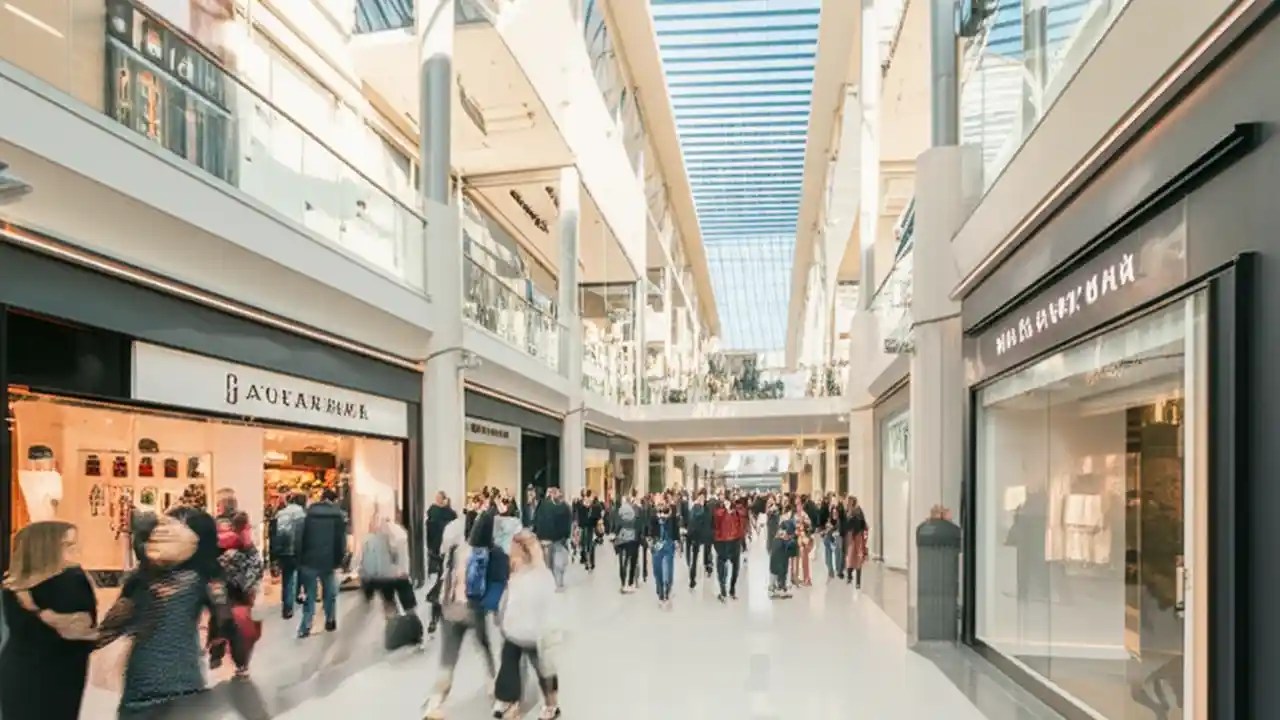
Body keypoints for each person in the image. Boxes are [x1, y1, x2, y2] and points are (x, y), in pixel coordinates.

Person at [0, 521, 97, 720]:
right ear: (45, 548)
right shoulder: (72, 579)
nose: (76, 550)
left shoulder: (14, 583)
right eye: (68, 544)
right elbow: (81, 631)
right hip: (55, 673)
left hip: (21, 670)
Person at [423, 515, 502, 719]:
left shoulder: (455, 549)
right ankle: (495, 694)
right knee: (484, 650)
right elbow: (493, 584)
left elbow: (444, 573)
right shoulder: (489, 552)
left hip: (450, 609)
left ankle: (435, 702)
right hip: (473, 609)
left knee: (448, 657)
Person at [493, 532, 562, 719]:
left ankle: (548, 704)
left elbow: (538, 605)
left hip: (531, 631)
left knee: (541, 668)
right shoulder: (523, 573)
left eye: (514, 550)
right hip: (521, 630)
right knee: (514, 663)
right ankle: (512, 701)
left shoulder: (536, 576)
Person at [213, 511, 264, 677]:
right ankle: (241, 663)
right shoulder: (247, 544)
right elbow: (256, 566)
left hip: (228, 589)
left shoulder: (226, 544)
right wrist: (250, 586)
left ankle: (218, 651)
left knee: (224, 621)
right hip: (242, 591)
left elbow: (218, 567)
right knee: (242, 628)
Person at [297, 488, 347, 637]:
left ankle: (305, 626)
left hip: (309, 560)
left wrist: (300, 559)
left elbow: (300, 538)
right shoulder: (337, 516)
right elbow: (340, 542)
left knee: (310, 595)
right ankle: (330, 620)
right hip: (328, 561)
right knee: (329, 593)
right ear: (333, 500)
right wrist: (339, 560)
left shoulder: (308, 514)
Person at [269, 492, 307, 620]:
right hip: (297, 549)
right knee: (298, 573)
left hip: (284, 550)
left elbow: (274, 534)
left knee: (287, 577)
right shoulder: (302, 514)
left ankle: (287, 607)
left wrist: (274, 555)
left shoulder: (281, 513)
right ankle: (297, 596)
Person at [711, 493, 749, 602]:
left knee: (736, 567)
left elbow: (743, 518)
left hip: (734, 541)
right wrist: (726, 510)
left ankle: (732, 589)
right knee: (721, 566)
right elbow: (716, 519)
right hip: (722, 542)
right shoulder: (718, 511)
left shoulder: (737, 512)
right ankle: (723, 590)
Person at [532, 487, 572, 591]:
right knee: (558, 561)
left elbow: (536, 521)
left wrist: (536, 534)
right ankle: (558, 583)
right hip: (557, 539)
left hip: (545, 538)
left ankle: (552, 582)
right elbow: (566, 522)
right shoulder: (562, 507)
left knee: (548, 561)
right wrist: (566, 536)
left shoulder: (541, 506)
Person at [647, 494, 680, 608]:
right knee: (657, 571)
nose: (659, 504)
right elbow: (649, 529)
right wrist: (650, 540)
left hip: (668, 545)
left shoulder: (672, 514)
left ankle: (667, 591)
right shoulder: (652, 514)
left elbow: (675, 529)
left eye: (661, 502)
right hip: (657, 545)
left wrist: (677, 541)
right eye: (657, 502)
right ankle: (660, 593)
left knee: (668, 571)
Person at [611, 494, 641, 593]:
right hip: (631, 538)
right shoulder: (633, 511)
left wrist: (614, 535)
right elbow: (637, 524)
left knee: (622, 562)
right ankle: (629, 582)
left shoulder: (619, 511)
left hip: (621, 538)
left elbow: (617, 525)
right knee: (629, 560)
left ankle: (623, 583)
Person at [684, 490, 713, 589]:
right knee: (695, 558)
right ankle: (692, 579)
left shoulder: (707, 507)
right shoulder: (696, 507)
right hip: (696, 536)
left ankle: (708, 567)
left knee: (707, 553)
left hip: (705, 535)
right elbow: (693, 519)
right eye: (700, 497)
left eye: (703, 497)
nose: (702, 499)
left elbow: (710, 520)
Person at [843, 496, 869, 588]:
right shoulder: (848, 511)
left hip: (857, 537)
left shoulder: (857, 511)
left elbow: (863, 524)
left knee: (857, 559)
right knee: (850, 558)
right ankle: (849, 577)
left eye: (850, 502)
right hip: (851, 537)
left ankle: (857, 582)